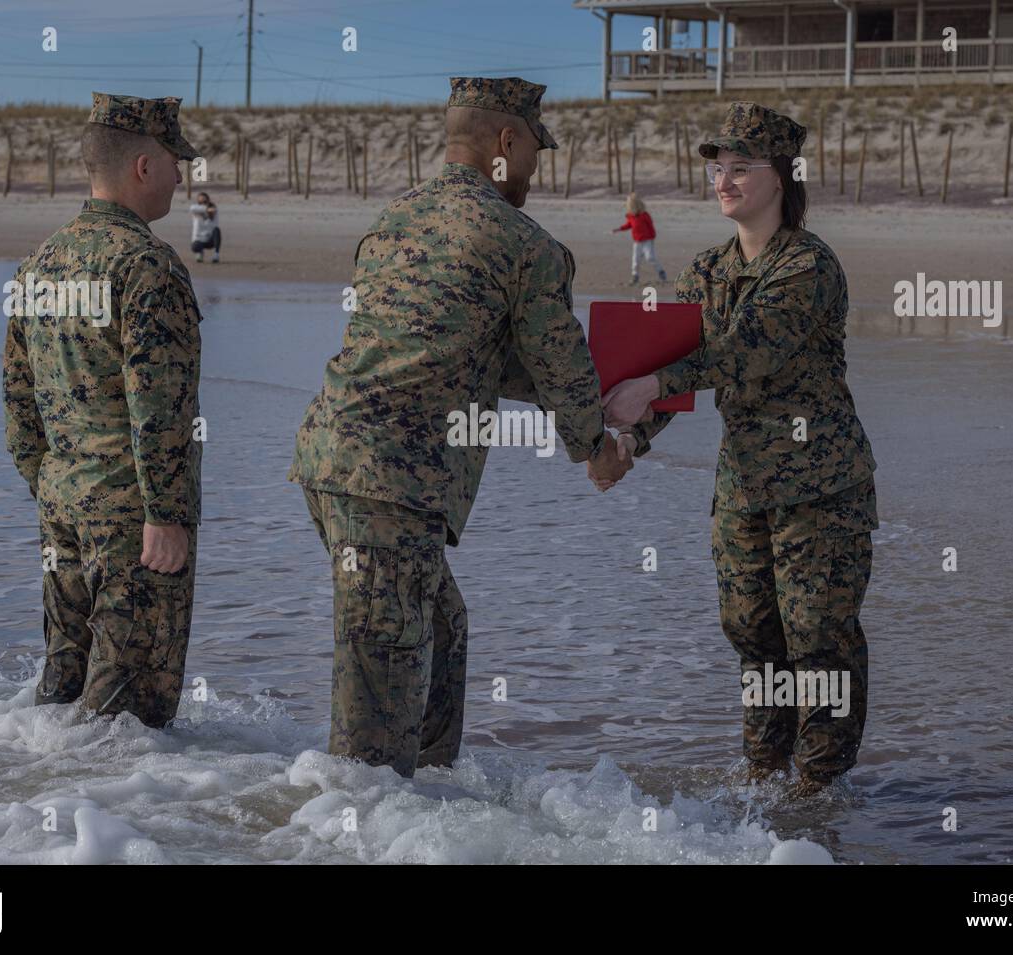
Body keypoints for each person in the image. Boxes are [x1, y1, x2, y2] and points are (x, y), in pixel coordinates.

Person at [287, 76, 633, 778]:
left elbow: (459, 349)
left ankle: (434, 810)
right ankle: (348, 829)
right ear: (506, 142)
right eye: (535, 147)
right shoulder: (524, 245)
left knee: (441, 630)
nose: (537, 167)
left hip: (331, 464)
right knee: (373, 733)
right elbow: (557, 368)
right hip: (394, 488)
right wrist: (597, 446)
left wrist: (600, 397)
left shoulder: (394, 220)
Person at [603, 103, 878, 798]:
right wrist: (629, 436)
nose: (723, 180)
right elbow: (676, 363)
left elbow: (743, 351)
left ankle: (820, 792)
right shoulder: (707, 269)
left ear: (781, 176)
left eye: (740, 168)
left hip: (820, 488)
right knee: (753, 635)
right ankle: (763, 779)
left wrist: (653, 383)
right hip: (745, 488)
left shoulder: (808, 265)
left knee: (819, 639)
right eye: (717, 168)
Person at [3, 91, 203, 728]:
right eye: (178, 162)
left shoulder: (39, 263)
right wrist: (166, 515)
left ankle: (29, 813)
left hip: (62, 508)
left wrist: (48, 484)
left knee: (63, 695)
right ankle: (102, 822)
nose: (183, 175)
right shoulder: (146, 267)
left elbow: (17, 398)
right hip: (135, 527)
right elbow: (159, 408)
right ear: (144, 166)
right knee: (129, 727)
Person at [612, 192, 666, 285]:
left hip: (647, 240)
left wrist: (652, 236)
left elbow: (650, 226)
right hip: (637, 241)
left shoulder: (644, 215)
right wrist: (619, 229)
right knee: (635, 259)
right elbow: (628, 225)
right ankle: (635, 275)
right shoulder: (630, 217)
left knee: (650, 257)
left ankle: (660, 271)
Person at [190, 191, 220, 263]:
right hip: (198, 240)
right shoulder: (196, 212)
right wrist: (206, 209)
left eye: (204, 201)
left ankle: (216, 254)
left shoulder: (214, 212)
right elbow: (192, 208)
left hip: (210, 240)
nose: (202, 203)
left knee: (217, 230)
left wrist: (210, 210)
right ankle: (200, 253)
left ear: (208, 201)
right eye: (200, 201)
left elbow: (214, 209)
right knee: (195, 247)